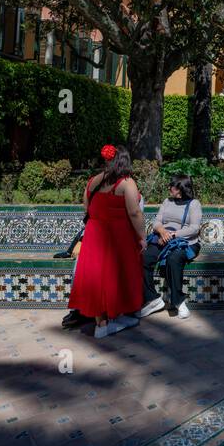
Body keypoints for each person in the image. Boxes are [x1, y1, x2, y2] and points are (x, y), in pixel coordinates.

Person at [67, 145, 146, 338]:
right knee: (115, 277)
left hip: (94, 234)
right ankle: (108, 322)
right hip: (117, 237)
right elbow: (134, 212)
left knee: (97, 278)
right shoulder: (127, 183)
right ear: (125, 161)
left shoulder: (94, 181)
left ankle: (102, 322)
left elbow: (86, 207)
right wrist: (143, 237)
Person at [139, 174, 202, 319]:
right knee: (143, 258)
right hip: (163, 239)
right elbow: (157, 221)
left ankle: (179, 302)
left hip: (187, 243)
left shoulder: (194, 204)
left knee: (173, 260)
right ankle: (152, 299)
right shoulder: (167, 201)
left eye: (172, 186)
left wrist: (172, 235)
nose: (169, 188)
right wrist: (162, 231)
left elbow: (194, 228)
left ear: (180, 189)